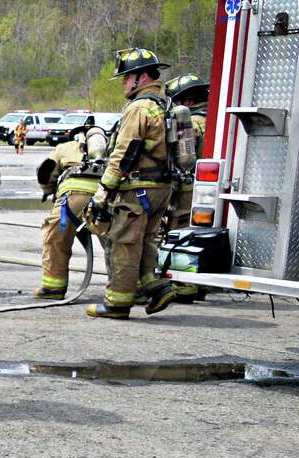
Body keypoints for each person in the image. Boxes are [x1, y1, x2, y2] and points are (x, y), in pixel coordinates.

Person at [83, 48, 177, 319]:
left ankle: (117, 304)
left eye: (126, 77)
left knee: (124, 243)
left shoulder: (139, 108)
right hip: (161, 189)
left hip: (138, 190)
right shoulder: (165, 103)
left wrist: (103, 191)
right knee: (145, 242)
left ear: (142, 76)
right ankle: (156, 287)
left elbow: (123, 155)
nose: (124, 83)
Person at [34, 124, 105, 300]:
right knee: (119, 246)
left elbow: (46, 171)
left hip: (71, 203)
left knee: (56, 240)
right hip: (104, 200)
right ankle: (127, 288)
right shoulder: (110, 149)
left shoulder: (64, 148)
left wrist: (48, 190)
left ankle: (53, 288)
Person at [164, 74, 210, 303]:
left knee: (182, 234)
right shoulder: (217, 119)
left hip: (189, 190)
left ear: (188, 102)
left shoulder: (193, 124)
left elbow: (181, 158)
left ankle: (184, 287)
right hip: (212, 192)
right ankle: (200, 284)